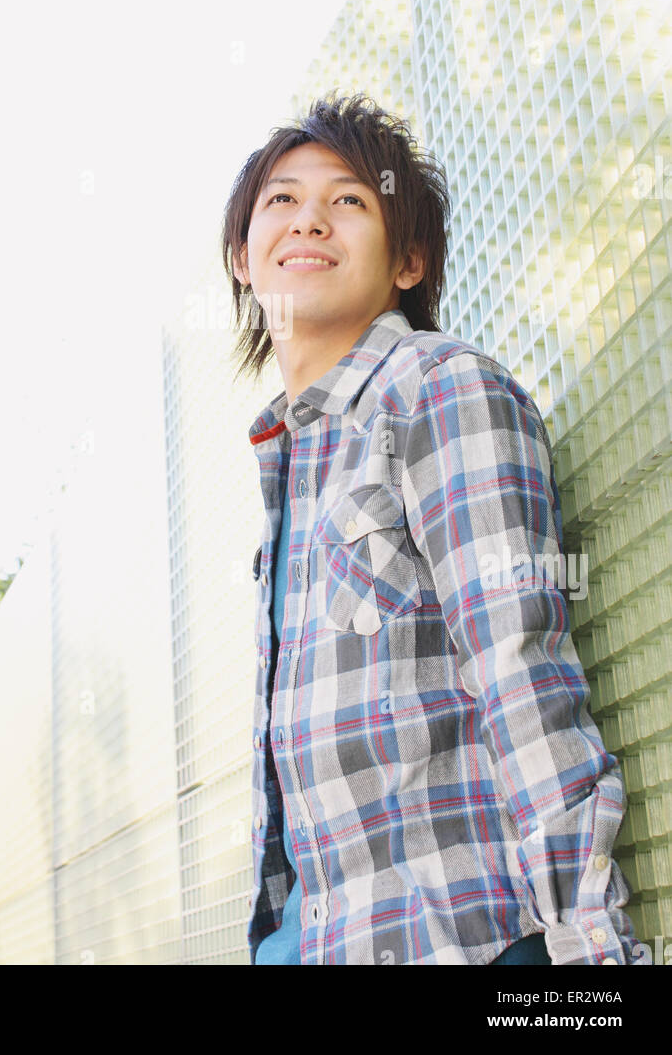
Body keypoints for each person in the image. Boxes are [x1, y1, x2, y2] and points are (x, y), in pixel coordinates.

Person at [220, 92, 648, 966]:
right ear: (241, 256)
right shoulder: (290, 459)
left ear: (409, 260)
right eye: (281, 200)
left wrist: (593, 959)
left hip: (462, 940)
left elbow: (521, 671)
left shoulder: (437, 390)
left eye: (348, 200)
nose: (309, 218)